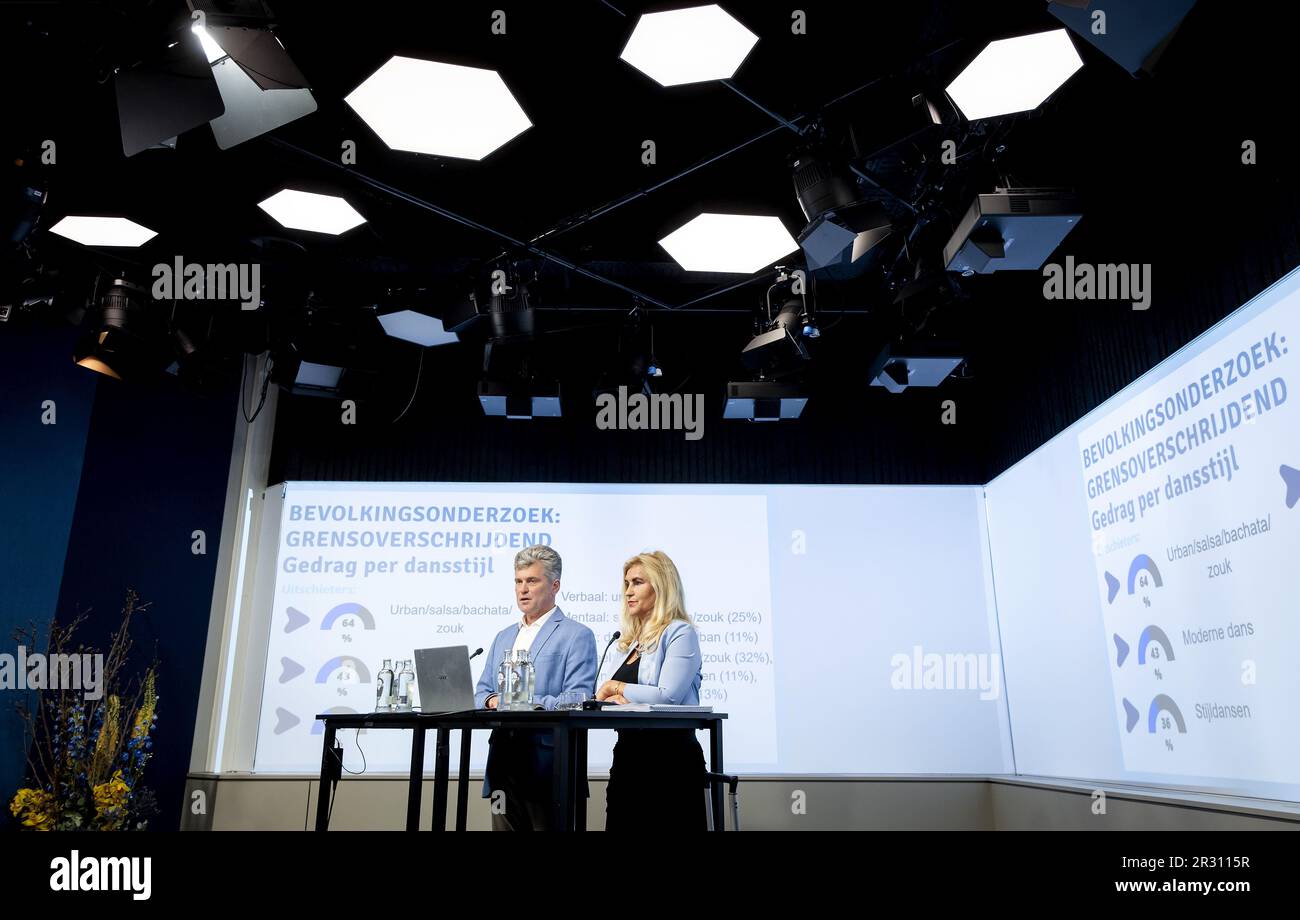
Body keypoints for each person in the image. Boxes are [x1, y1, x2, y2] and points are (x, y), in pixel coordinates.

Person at [474, 545, 596, 830]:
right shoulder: (503, 637)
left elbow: (578, 698)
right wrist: (494, 700)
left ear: (555, 585)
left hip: (548, 766)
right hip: (503, 766)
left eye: (532, 581)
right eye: (518, 581)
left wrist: (526, 702)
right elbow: (482, 692)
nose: (523, 589)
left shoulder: (576, 635)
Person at [595, 550, 706, 831]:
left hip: (670, 762)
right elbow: (604, 696)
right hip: (628, 759)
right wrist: (619, 695)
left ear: (661, 587)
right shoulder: (627, 643)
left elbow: (667, 696)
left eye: (637, 583)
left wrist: (619, 688)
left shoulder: (680, 633)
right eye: (626, 584)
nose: (628, 592)